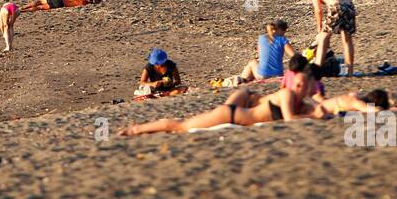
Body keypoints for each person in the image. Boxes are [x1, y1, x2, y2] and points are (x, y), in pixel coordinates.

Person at [119, 66, 321, 136]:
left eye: (304, 85)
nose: (299, 88)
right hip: (232, 115)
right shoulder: (287, 96)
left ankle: (140, 128)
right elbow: (290, 120)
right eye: (297, 84)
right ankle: (137, 129)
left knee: (184, 124)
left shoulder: (301, 102)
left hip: (242, 108)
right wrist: (314, 114)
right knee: (182, 126)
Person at [310, 0, 357, 73]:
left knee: (323, 37)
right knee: (347, 40)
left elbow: (318, 10)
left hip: (336, 6)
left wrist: (319, 27)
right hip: (350, 6)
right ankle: (350, 71)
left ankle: (317, 69)